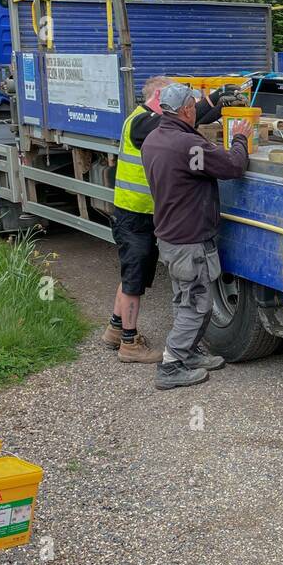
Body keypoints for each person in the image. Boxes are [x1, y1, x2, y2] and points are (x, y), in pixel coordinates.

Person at [101, 76, 225, 363]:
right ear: (159, 97)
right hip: (136, 214)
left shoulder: (144, 119)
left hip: (137, 212)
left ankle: (115, 329)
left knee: (133, 273)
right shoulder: (143, 122)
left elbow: (187, 121)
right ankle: (130, 345)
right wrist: (213, 99)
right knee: (134, 278)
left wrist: (214, 103)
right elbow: (181, 124)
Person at [140, 83, 253, 390]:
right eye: (194, 106)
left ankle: (188, 354)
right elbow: (232, 165)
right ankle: (171, 366)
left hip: (172, 235)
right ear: (188, 109)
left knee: (185, 298)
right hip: (188, 238)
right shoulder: (187, 146)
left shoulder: (154, 140)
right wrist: (241, 137)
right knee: (195, 303)